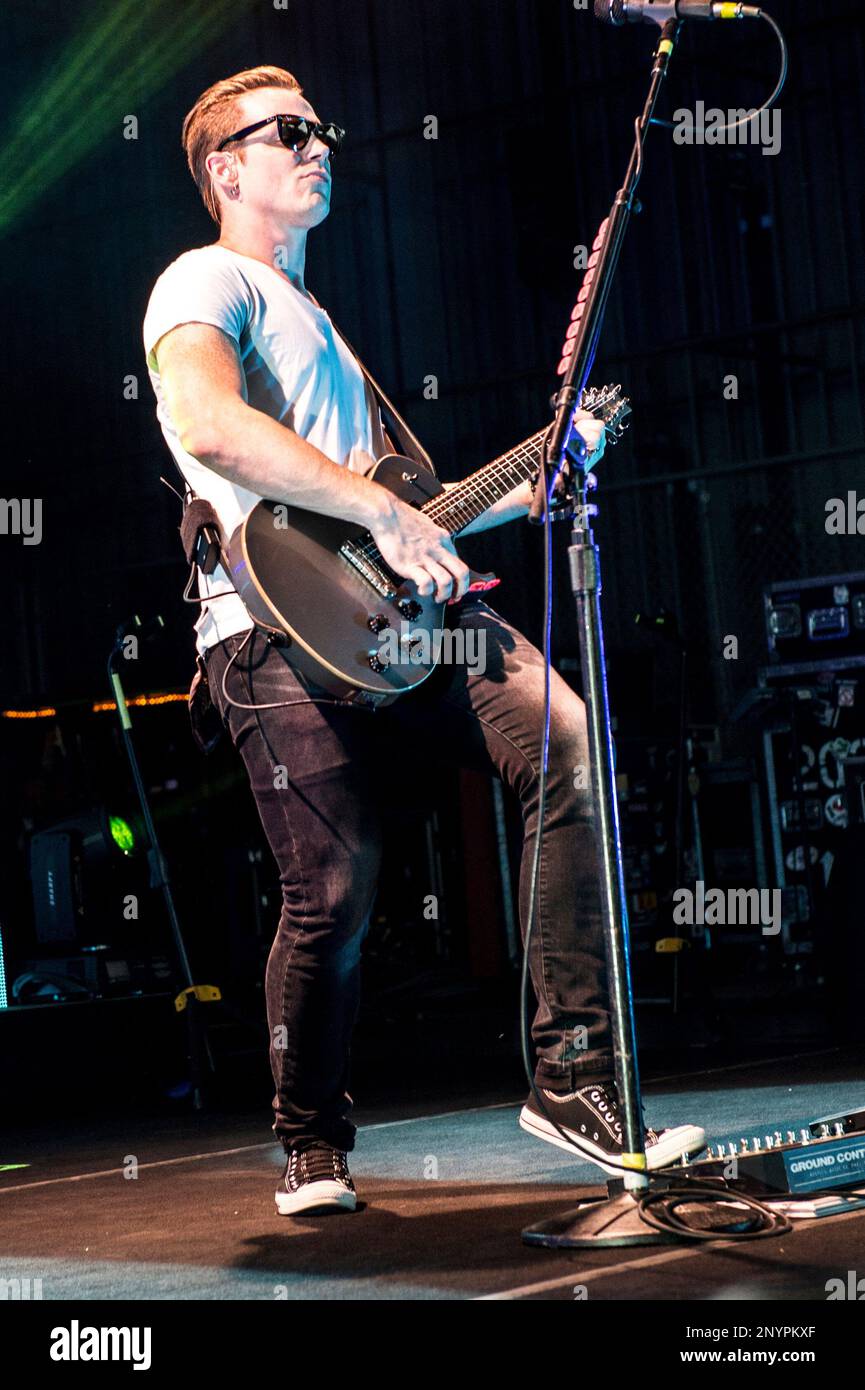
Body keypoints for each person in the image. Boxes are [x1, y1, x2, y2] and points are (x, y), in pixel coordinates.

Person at [143, 65, 705, 1216]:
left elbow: (419, 511)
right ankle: (311, 1138)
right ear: (224, 168)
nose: (316, 144)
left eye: (320, 127)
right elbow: (209, 422)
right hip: (266, 626)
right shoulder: (205, 279)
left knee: (566, 744)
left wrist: (537, 470)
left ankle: (576, 1080)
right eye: (285, 131)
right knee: (335, 892)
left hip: (403, 617)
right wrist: (385, 510)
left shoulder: (328, 331)